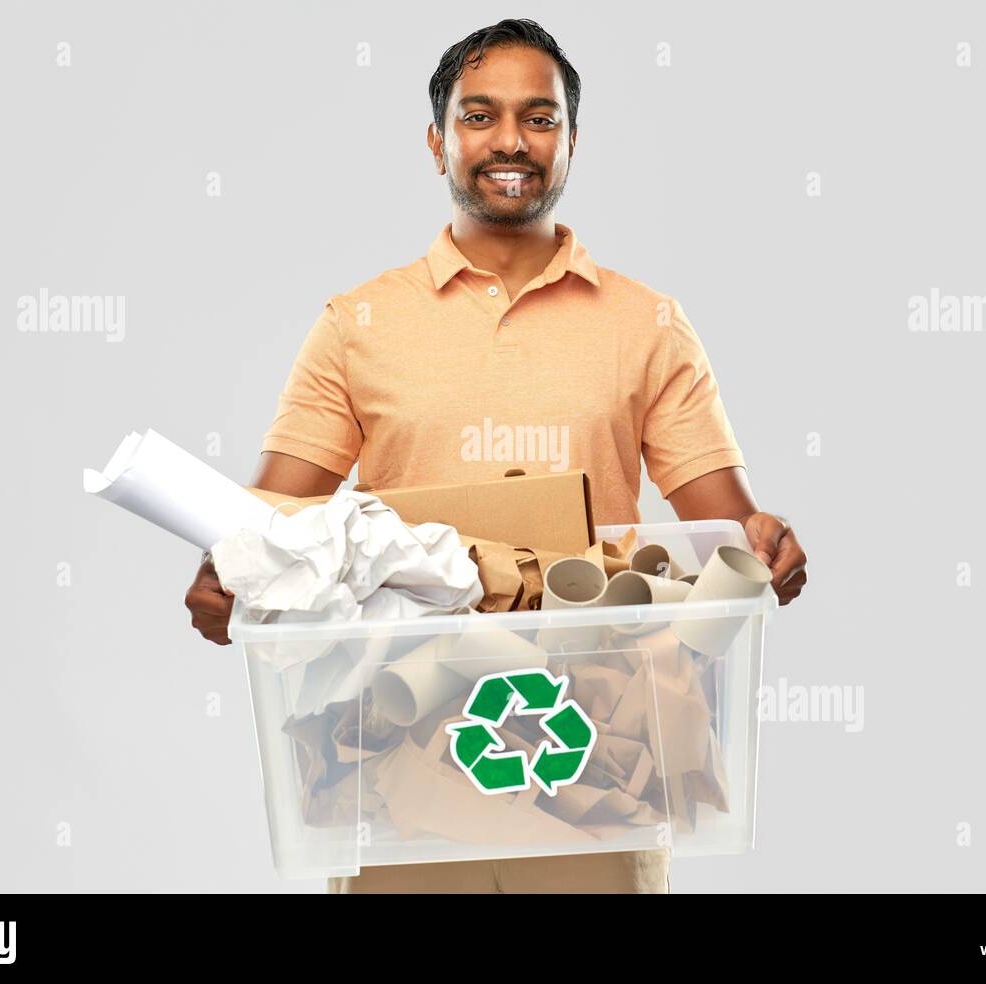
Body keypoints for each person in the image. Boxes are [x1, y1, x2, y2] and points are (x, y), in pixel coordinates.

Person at [185, 18, 807, 894]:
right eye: (479, 116)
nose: (510, 140)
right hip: (400, 769)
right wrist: (233, 577)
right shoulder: (358, 326)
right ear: (437, 140)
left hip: (594, 764)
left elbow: (729, 531)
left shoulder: (647, 326)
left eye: (539, 118)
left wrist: (765, 547)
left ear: (573, 141)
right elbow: (271, 523)